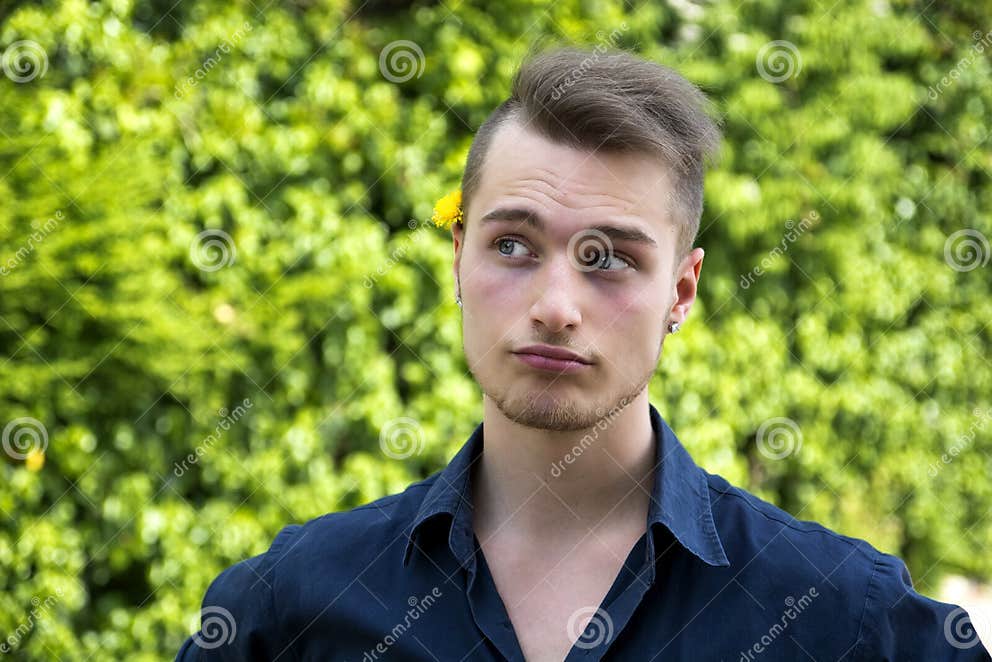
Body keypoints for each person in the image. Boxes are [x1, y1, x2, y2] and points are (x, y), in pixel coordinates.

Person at [177, 44, 990, 661]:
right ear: (459, 257)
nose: (557, 307)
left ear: (681, 292)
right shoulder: (293, 606)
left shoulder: (841, 617)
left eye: (612, 257)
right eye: (514, 246)